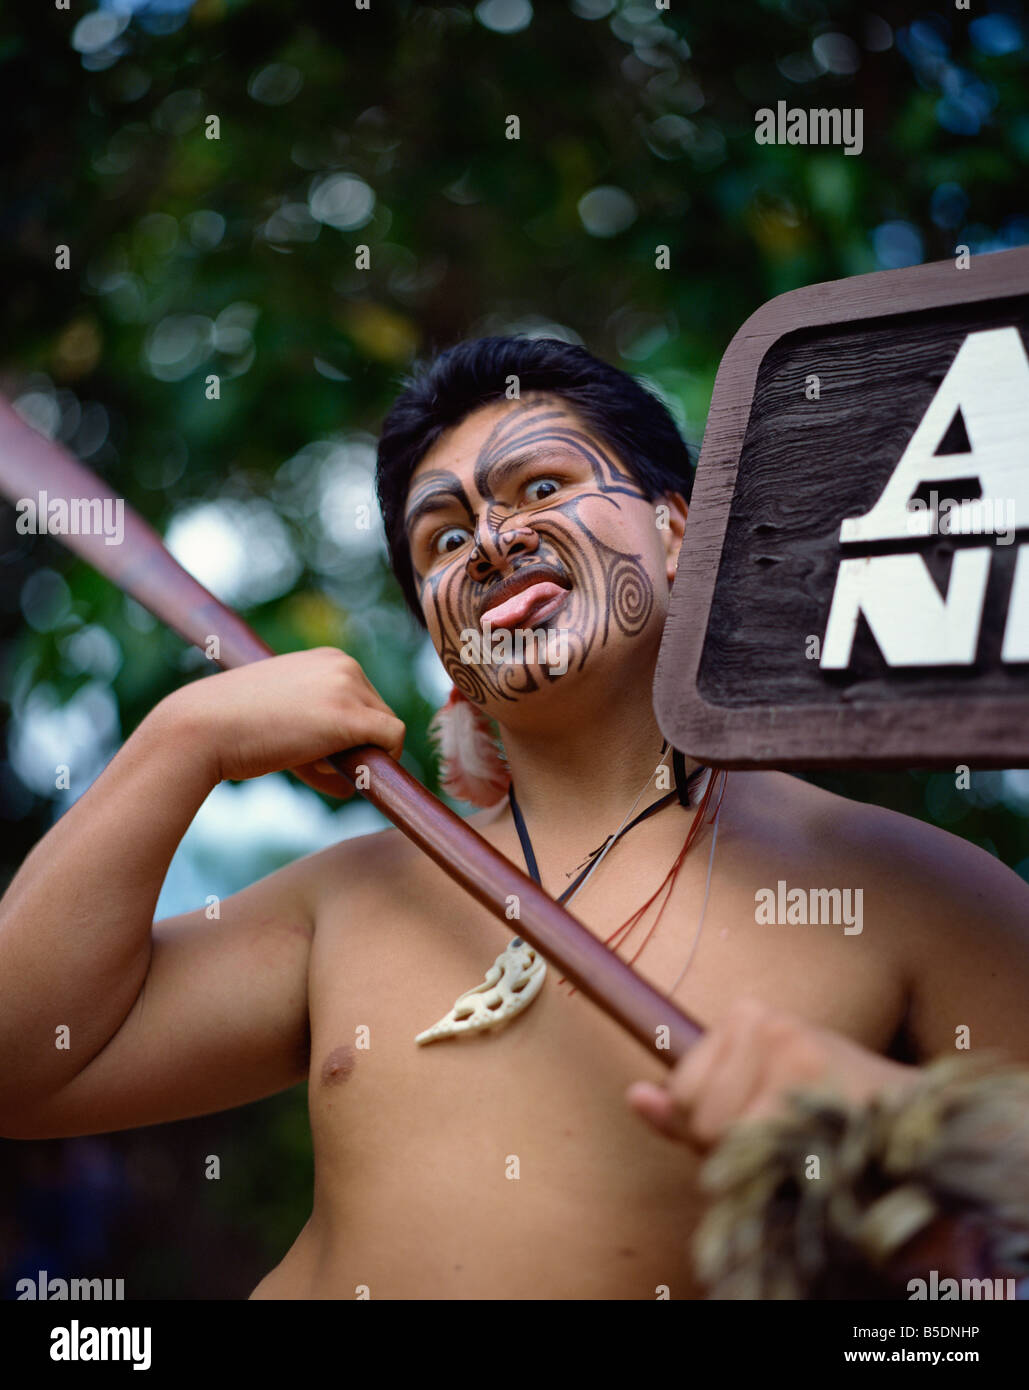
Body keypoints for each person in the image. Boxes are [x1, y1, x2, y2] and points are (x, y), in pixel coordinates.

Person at [2, 337, 1027, 1300]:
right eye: (443, 537)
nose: (493, 541)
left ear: (677, 529)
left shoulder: (897, 886)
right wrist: (180, 741)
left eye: (545, 486)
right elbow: (22, 1069)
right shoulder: (352, 895)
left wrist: (913, 1134)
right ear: (438, 638)